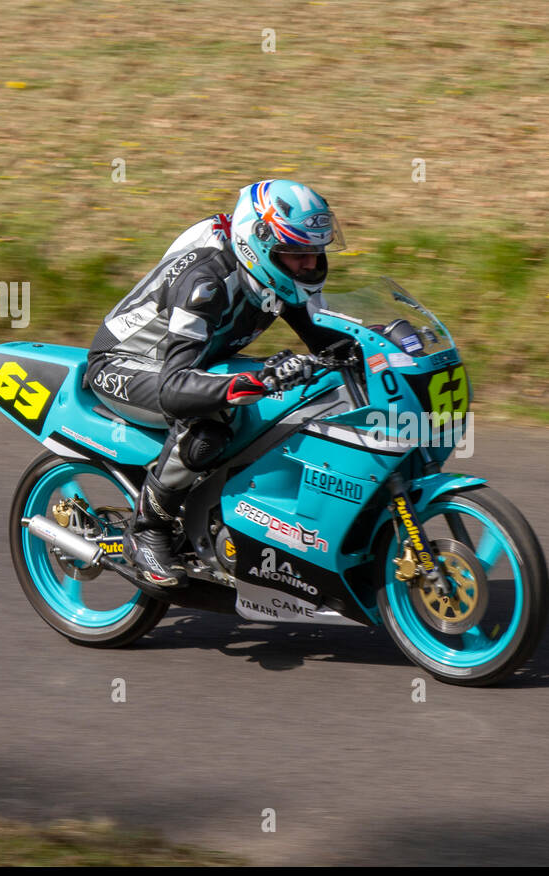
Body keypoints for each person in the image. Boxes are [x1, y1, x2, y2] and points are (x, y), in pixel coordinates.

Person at [85, 179, 350, 587]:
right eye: (297, 253)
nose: (310, 265)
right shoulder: (206, 283)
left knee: (315, 392)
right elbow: (175, 388)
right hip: (127, 364)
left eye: (316, 252)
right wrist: (254, 379)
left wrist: (390, 345)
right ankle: (147, 529)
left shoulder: (278, 273)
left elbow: (332, 342)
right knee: (210, 424)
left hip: (195, 360)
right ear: (258, 245)